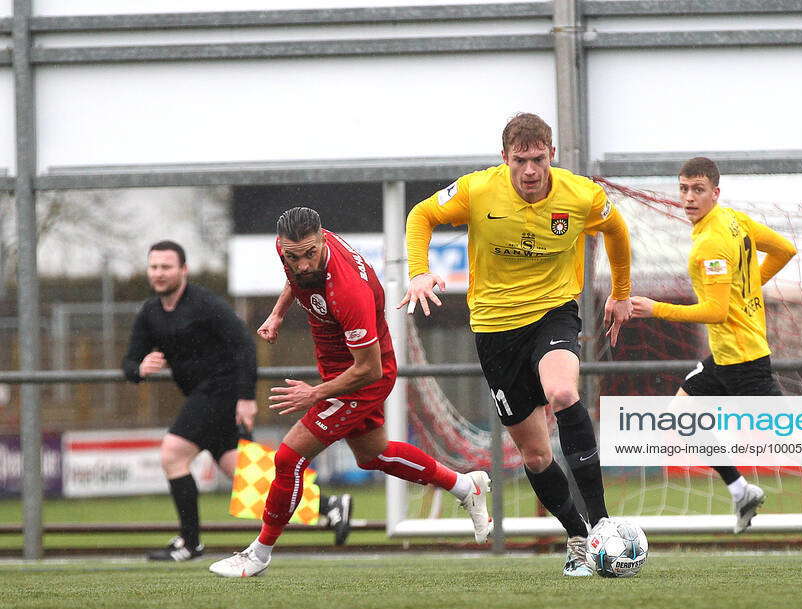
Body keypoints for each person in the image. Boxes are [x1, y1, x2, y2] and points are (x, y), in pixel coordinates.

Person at [629, 157, 802, 559]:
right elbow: (785, 249)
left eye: (698, 189)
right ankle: (741, 491)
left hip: (745, 364)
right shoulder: (733, 220)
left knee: (797, 444)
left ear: (714, 193)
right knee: (678, 416)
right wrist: (748, 287)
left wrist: (656, 308)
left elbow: (716, 312)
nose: (688, 197)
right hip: (725, 358)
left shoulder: (710, 244)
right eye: (684, 189)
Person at [400, 113, 633, 576]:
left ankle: (604, 522)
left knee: (564, 393)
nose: (530, 170)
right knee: (535, 453)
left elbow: (617, 233)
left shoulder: (582, 195)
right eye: (521, 160)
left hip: (553, 312)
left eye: (539, 159)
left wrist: (622, 294)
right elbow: (421, 214)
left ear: (552, 156)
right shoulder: (477, 190)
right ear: (503, 158)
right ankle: (579, 536)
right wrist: (418, 270)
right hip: (494, 330)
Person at [209, 208, 492, 577]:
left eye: (310, 254)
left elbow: (369, 369)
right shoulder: (293, 249)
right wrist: (278, 313)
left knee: (288, 458)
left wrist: (315, 395)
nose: (302, 264)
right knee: (373, 455)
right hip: (339, 369)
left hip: (363, 377)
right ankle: (464, 485)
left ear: (323, 239)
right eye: (293, 256)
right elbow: (295, 279)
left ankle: (258, 554)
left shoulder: (348, 290)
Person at [123, 240, 352, 561]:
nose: (159, 273)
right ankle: (330, 506)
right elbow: (129, 363)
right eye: (154, 267)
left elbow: (244, 346)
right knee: (244, 476)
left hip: (223, 392)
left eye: (167, 267)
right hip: (203, 397)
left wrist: (246, 398)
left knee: (173, 454)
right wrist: (140, 368)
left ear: (183, 270)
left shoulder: (204, 304)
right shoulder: (150, 313)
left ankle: (190, 543)